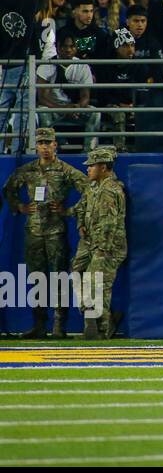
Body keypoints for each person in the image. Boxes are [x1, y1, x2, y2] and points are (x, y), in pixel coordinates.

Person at [3, 126, 89, 337]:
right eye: (40, 143)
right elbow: (8, 189)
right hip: (33, 231)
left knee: (59, 277)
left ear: (55, 145)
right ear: (37, 146)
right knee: (37, 278)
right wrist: (19, 207)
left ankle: (59, 325)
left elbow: (88, 190)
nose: (44, 147)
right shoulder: (28, 170)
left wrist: (68, 210)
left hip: (55, 232)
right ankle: (39, 324)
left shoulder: (65, 170)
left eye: (47, 143)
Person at [69, 145, 127, 339]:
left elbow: (109, 223)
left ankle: (101, 328)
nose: (88, 169)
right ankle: (96, 317)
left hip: (107, 245)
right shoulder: (93, 187)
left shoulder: (111, 190)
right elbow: (81, 207)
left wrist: (102, 249)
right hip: (89, 241)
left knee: (98, 283)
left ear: (103, 167)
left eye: (92, 166)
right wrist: (80, 225)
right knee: (77, 274)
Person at [0, 0, 41, 152]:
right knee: (23, 113)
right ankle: (18, 151)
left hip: (3, 65)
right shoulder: (32, 0)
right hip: (22, 64)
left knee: (1, 112)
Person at [36, 32, 99, 146]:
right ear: (58, 48)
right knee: (43, 113)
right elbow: (42, 98)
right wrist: (63, 109)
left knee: (95, 113)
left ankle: (89, 151)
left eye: (72, 46)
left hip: (74, 109)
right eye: (65, 46)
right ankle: (47, 151)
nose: (68, 50)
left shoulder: (82, 66)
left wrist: (78, 107)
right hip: (53, 108)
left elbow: (85, 96)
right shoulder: (47, 65)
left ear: (76, 48)